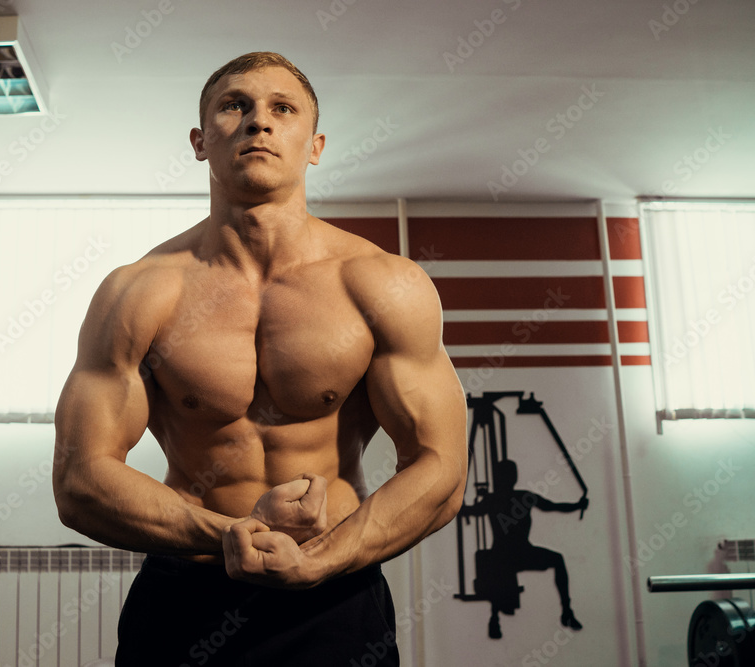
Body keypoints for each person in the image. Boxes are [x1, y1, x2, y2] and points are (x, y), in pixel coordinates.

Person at [52, 51, 468, 666]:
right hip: (184, 594)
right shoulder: (139, 292)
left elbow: (441, 469)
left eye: (282, 108)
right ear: (200, 141)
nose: (258, 122)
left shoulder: (384, 285)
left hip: (334, 596)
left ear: (315, 144)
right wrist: (226, 535)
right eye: (234, 105)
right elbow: (80, 478)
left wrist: (320, 560)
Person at [459, 459, 588, 639]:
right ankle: (565, 610)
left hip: (511, 554)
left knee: (555, 559)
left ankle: (565, 611)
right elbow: (553, 506)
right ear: (513, 478)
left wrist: (461, 501)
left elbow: (467, 511)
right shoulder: (520, 498)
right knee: (553, 560)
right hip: (515, 555)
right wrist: (577, 505)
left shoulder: (495, 499)